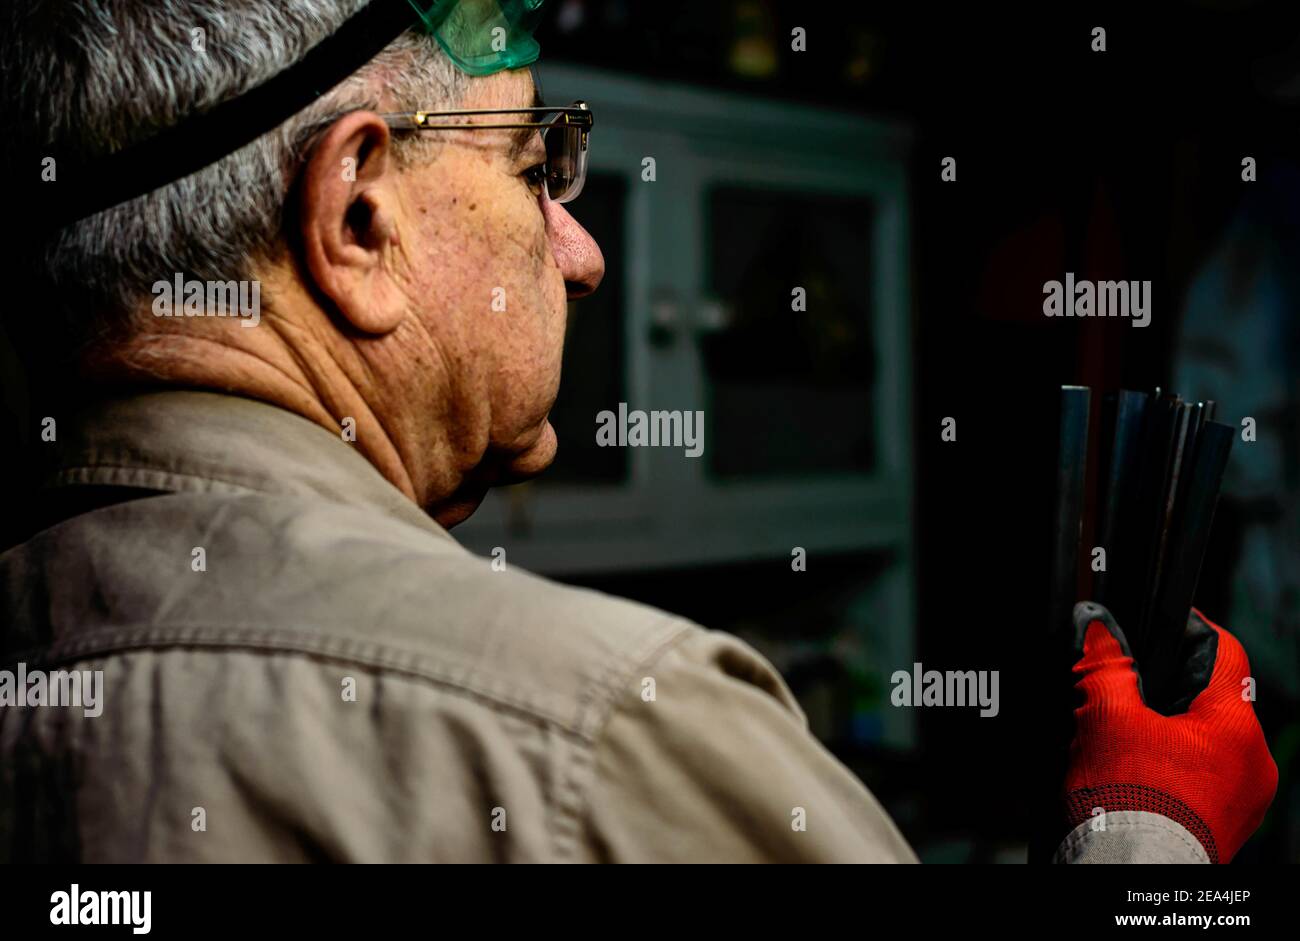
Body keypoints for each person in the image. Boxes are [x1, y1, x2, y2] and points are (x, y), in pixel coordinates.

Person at [0, 0, 1276, 863]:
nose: (586, 252)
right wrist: (1147, 831)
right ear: (359, 221)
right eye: (533, 167)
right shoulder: (603, 733)